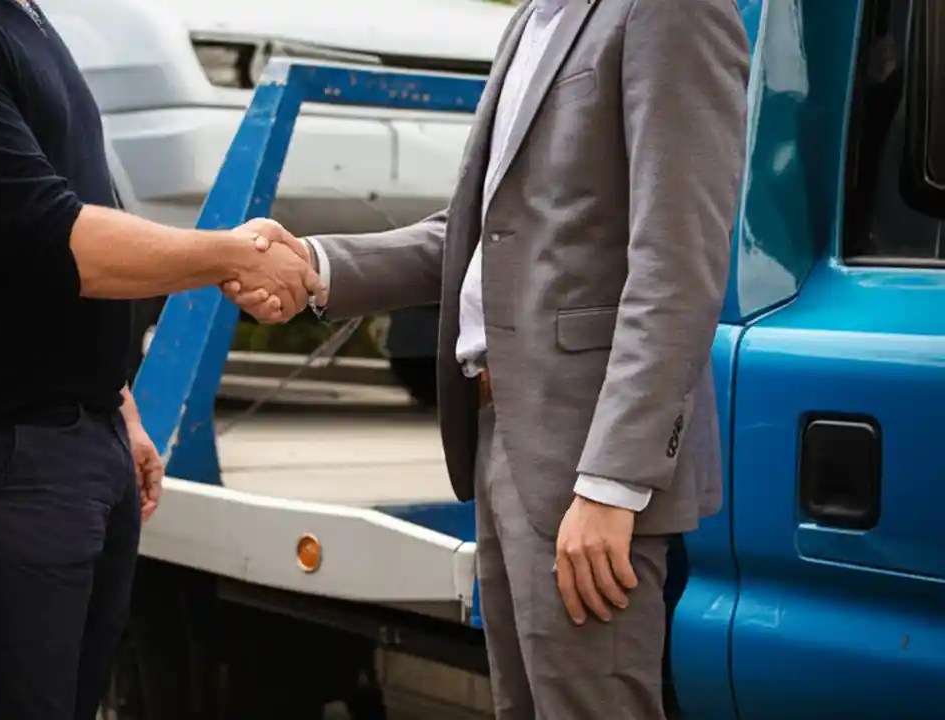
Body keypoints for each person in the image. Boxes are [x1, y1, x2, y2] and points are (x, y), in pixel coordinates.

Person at [227, 0, 749, 716]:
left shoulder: (670, 11)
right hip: (500, 432)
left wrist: (612, 483)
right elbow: (482, 237)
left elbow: (678, 266)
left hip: (584, 460)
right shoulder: (535, 19)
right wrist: (320, 266)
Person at [0, 0, 317, 715]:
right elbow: (50, 236)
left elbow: (77, 200)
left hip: (77, 435)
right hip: (4, 447)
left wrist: (115, 399)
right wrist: (234, 252)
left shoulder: (16, 17)